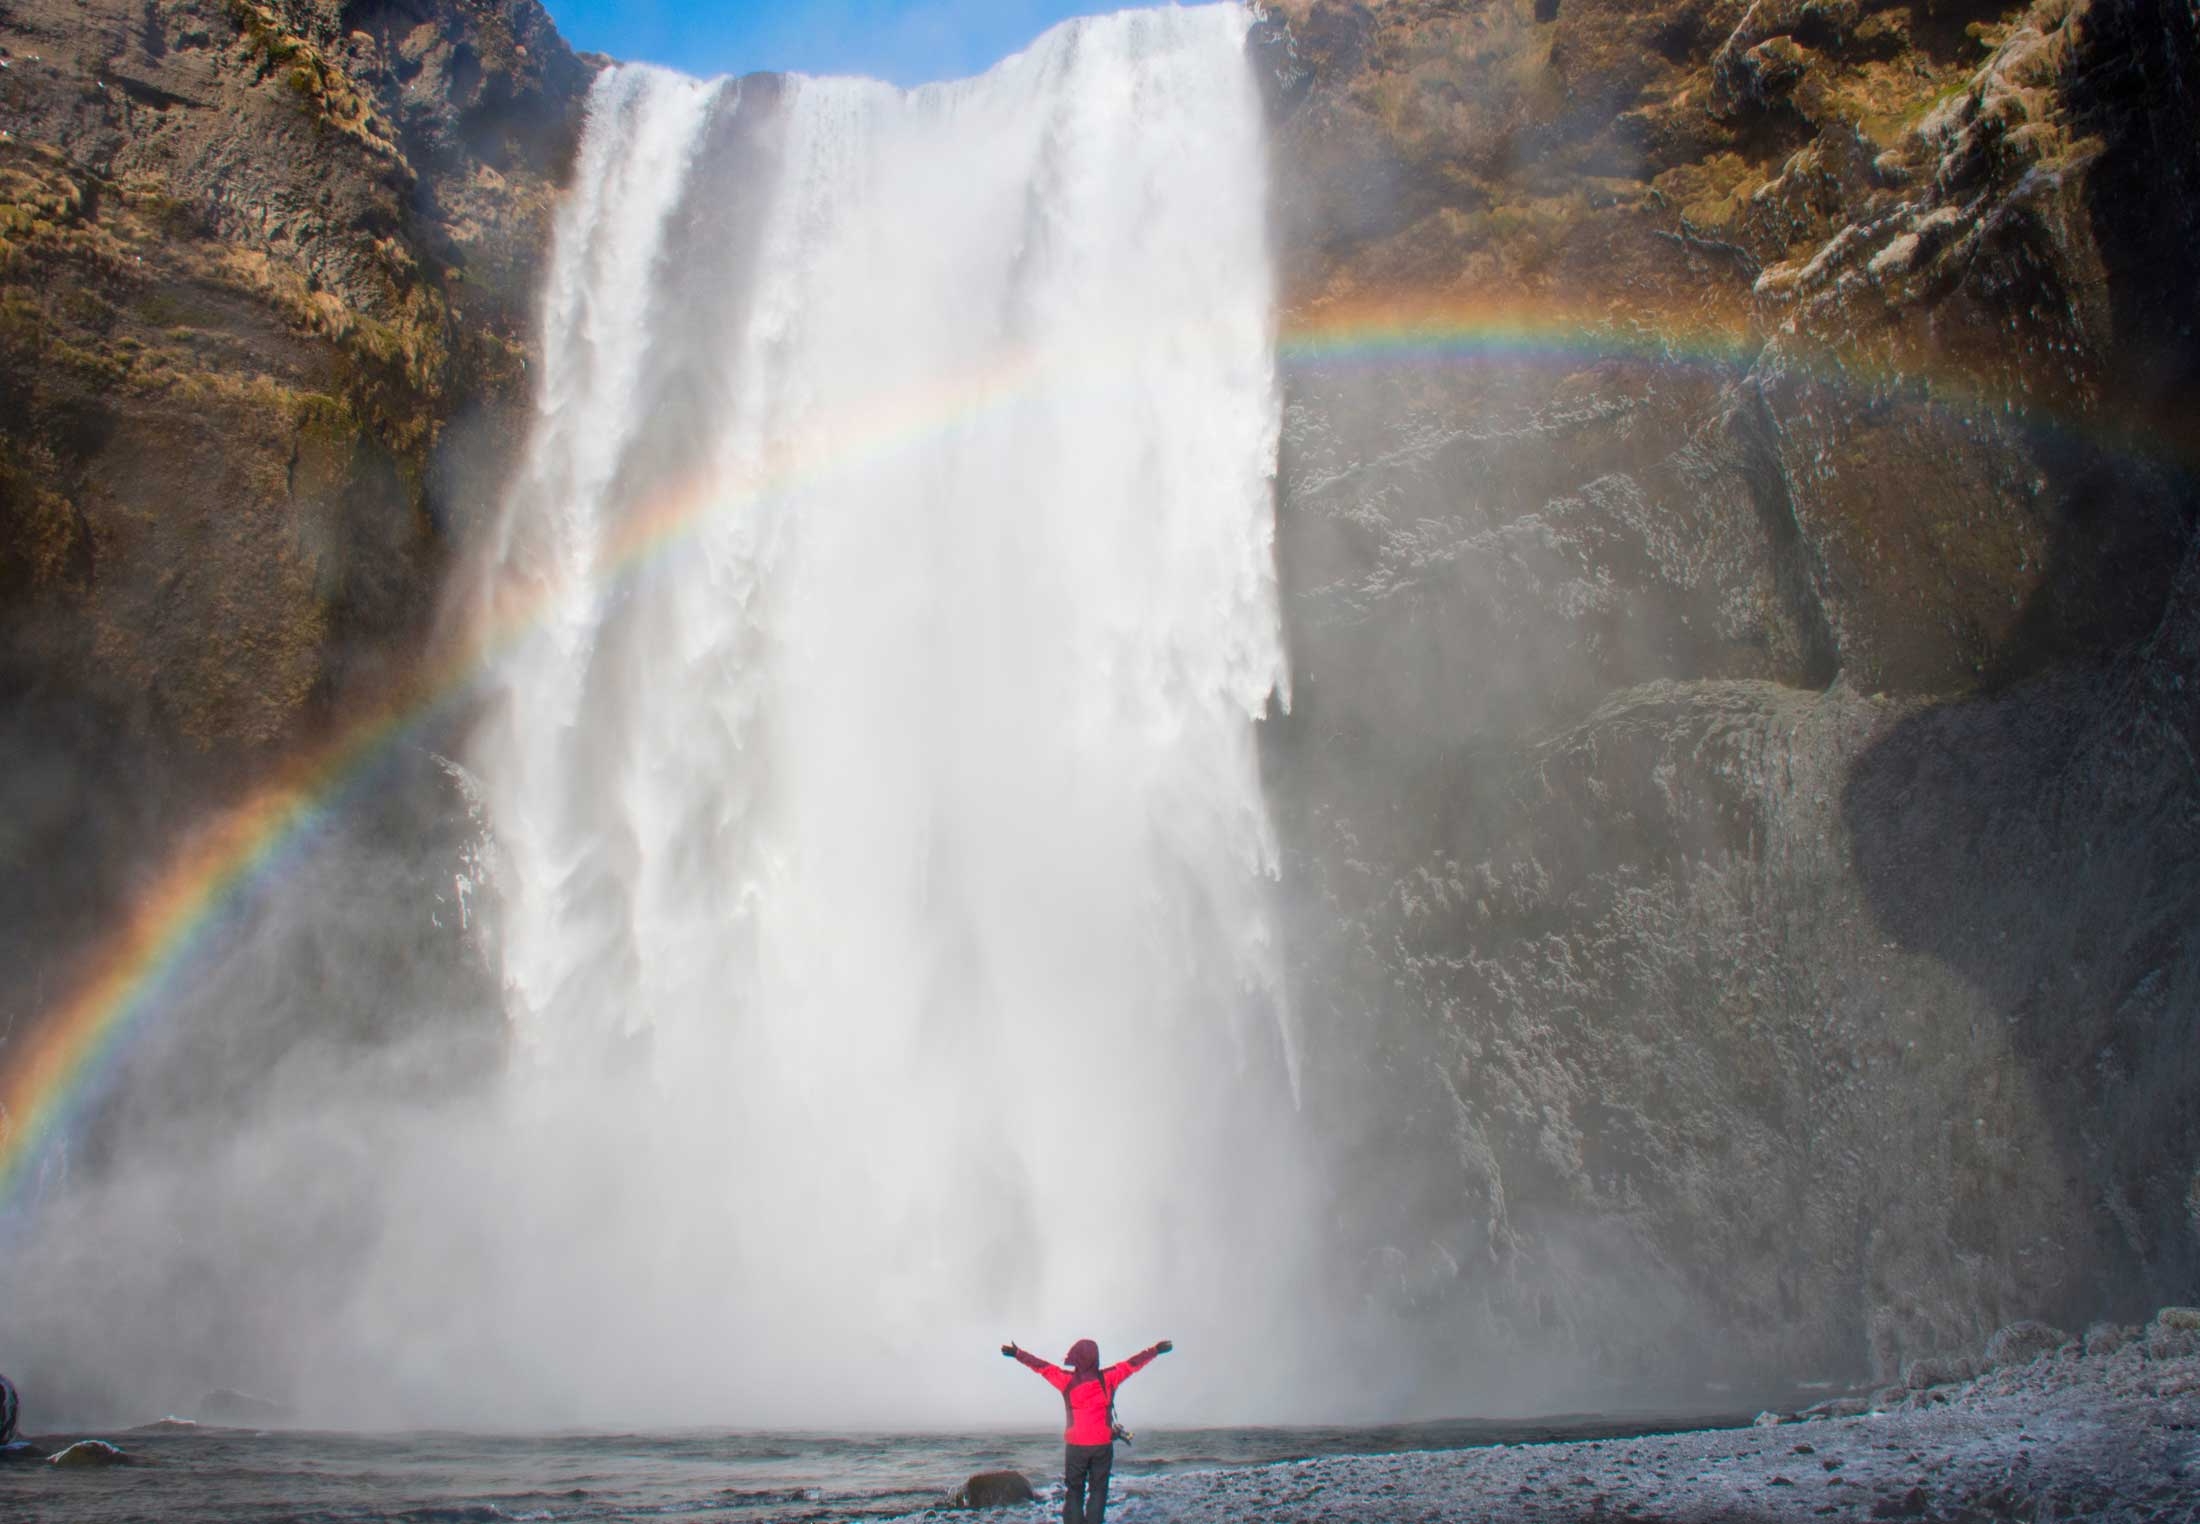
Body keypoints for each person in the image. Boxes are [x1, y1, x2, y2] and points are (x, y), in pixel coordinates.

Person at [1002, 1336, 1172, 1524]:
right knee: (1098, 1491)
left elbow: (1041, 1367)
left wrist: (1018, 1354)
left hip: (1076, 1446)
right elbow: (1133, 1364)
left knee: (1074, 1491)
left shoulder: (1065, 1380)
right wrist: (1155, 1350)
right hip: (1102, 1445)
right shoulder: (1109, 1377)